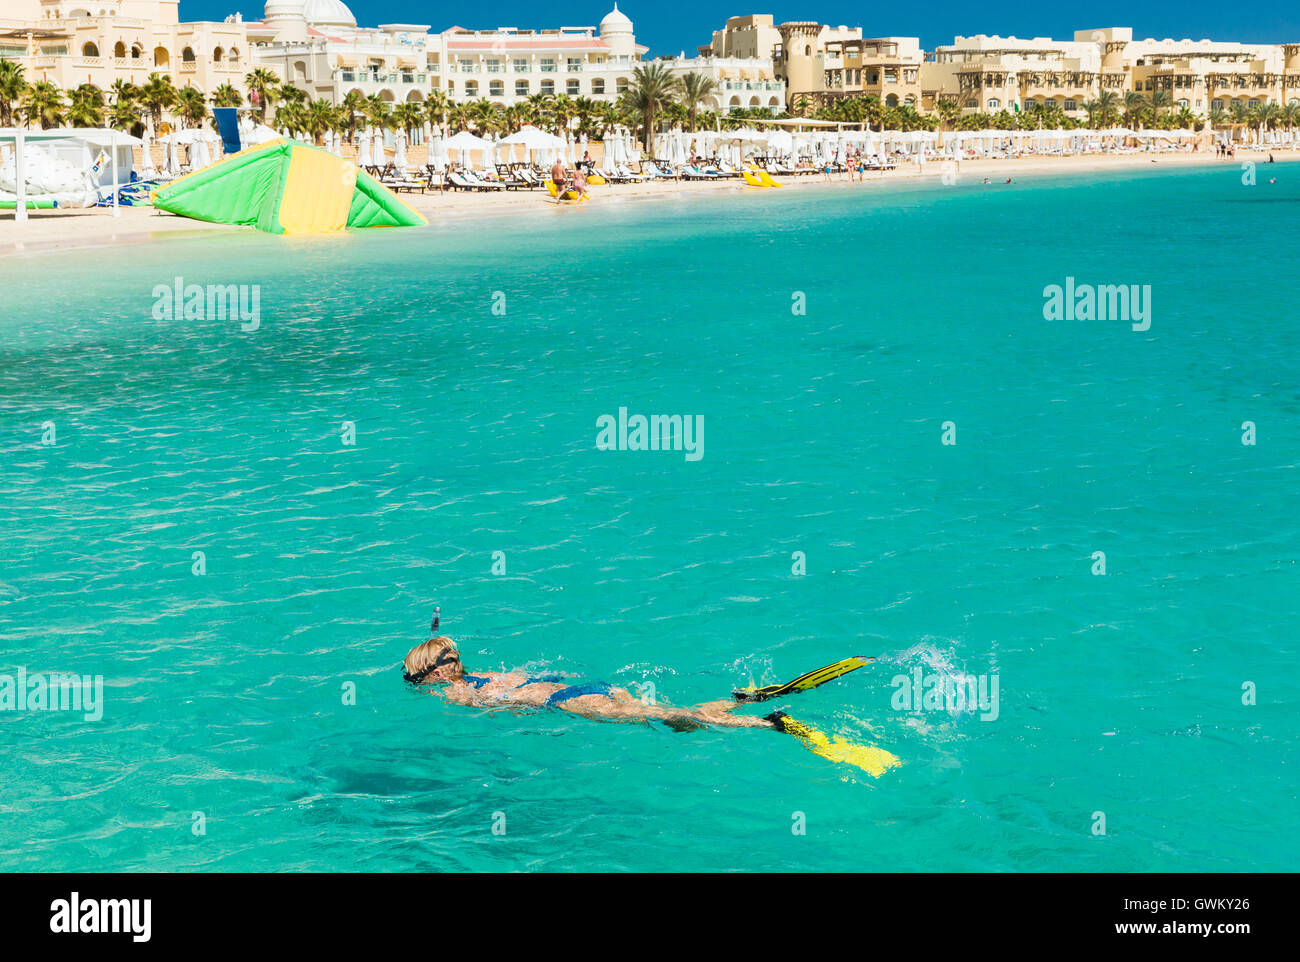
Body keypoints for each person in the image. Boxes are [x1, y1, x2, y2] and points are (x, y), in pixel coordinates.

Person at [403, 634, 769, 730]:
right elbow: (537, 678)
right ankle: (741, 701)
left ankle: (766, 723)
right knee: (667, 715)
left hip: (567, 702)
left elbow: (491, 711)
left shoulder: (457, 692)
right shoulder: (489, 674)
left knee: (664, 714)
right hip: (588, 688)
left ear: (433, 675)